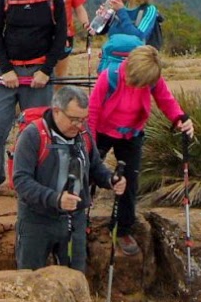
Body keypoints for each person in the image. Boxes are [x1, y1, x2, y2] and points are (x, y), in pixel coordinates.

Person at [87, 45, 195, 256]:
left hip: (132, 133)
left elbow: (166, 100)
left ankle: (123, 229)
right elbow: (92, 111)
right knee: (88, 173)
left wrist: (180, 118)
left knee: (130, 181)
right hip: (101, 131)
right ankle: (80, 220)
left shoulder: (151, 78)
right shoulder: (109, 77)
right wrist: (89, 145)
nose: (133, 84)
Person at [0, 0, 68, 198]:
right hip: (9, 73)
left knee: (38, 129)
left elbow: (60, 36)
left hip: (39, 74)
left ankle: (36, 179)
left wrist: (46, 70)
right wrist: (6, 69)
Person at [12, 85, 126, 269]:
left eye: (83, 119)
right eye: (74, 119)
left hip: (75, 221)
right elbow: (21, 181)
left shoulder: (84, 135)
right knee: (29, 280)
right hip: (36, 221)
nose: (79, 125)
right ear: (57, 111)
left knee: (75, 280)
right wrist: (56, 199)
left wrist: (110, 180)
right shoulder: (33, 136)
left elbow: (95, 166)